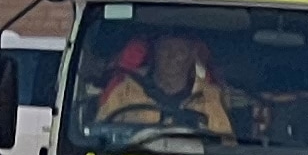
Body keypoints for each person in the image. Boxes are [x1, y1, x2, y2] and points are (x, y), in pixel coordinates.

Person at [90, 28, 235, 137]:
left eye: (180, 51)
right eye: (166, 48)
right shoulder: (125, 91)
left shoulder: (209, 97)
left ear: (192, 57)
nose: (172, 56)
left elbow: (225, 146)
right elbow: (99, 136)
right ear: (155, 52)